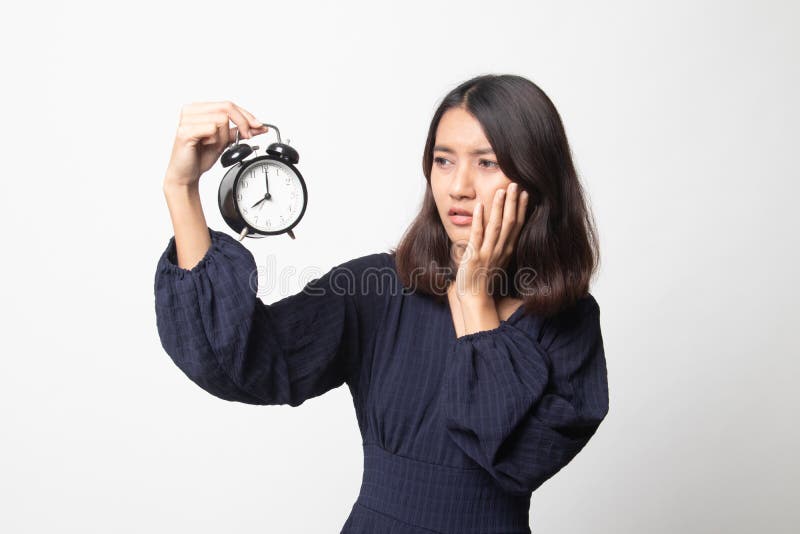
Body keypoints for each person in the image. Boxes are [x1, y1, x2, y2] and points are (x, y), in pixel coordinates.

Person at [154, 74, 609, 534]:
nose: (459, 187)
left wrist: (474, 297)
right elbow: (240, 360)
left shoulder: (567, 321)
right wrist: (182, 189)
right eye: (443, 160)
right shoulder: (378, 289)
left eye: (487, 162)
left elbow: (520, 459)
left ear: (537, 175)